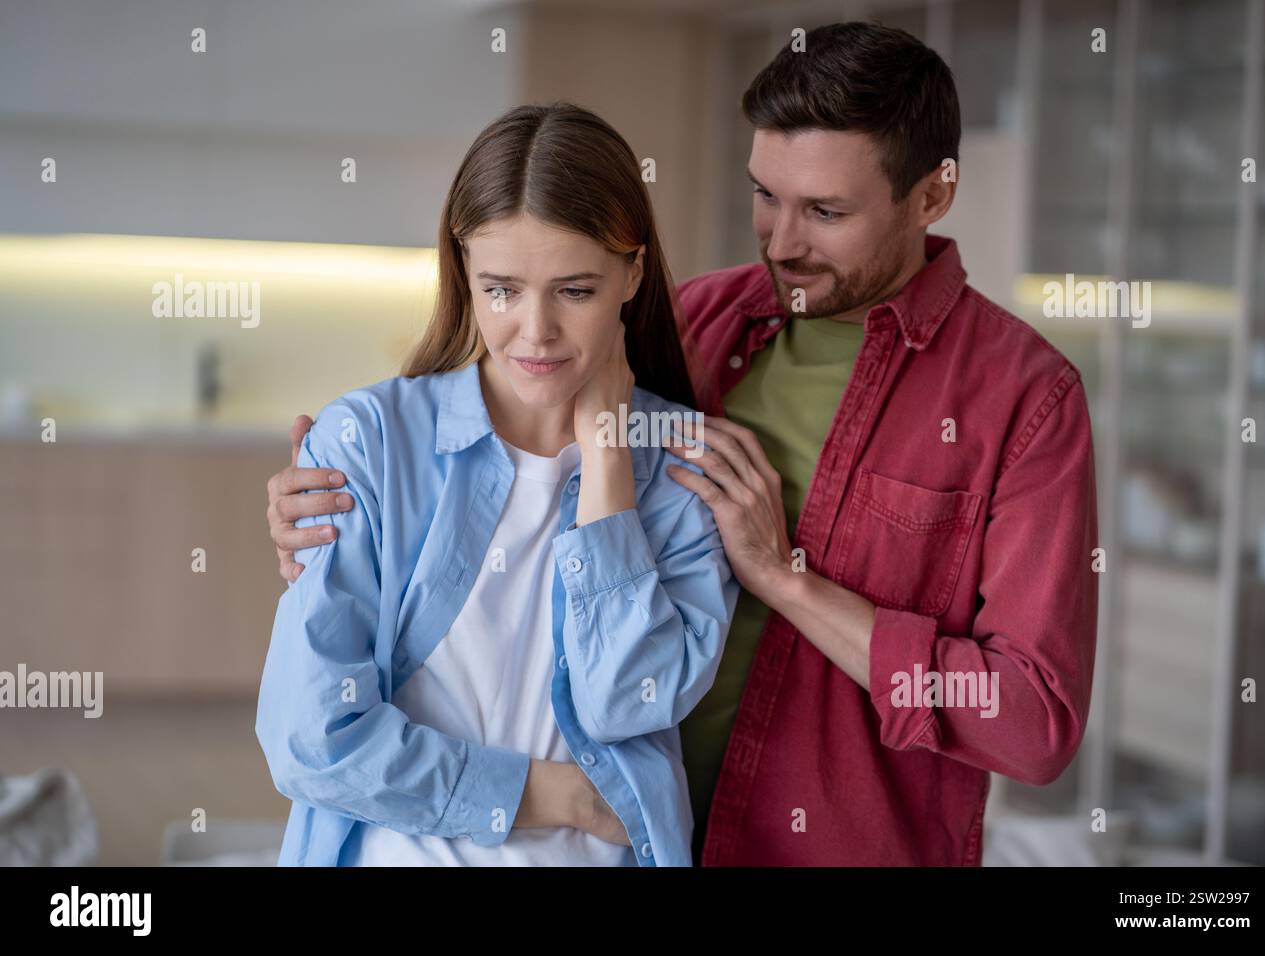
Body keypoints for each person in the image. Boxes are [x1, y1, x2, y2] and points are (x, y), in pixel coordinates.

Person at [267, 22, 1099, 866]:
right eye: (766, 196)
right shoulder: (697, 325)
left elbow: (1031, 723)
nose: (779, 242)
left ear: (931, 197)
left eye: (826, 212)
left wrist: (786, 582)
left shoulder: (1022, 401)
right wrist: (331, 502)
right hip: (648, 841)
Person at [254, 103, 738, 867]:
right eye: (502, 289)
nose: (536, 331)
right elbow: (311, 738)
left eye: (575, 291)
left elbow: (627, 700)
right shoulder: (370, 442)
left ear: (633, 274)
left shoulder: (682, 464)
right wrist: (553, 795)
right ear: (464, 273)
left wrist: (609, 465)